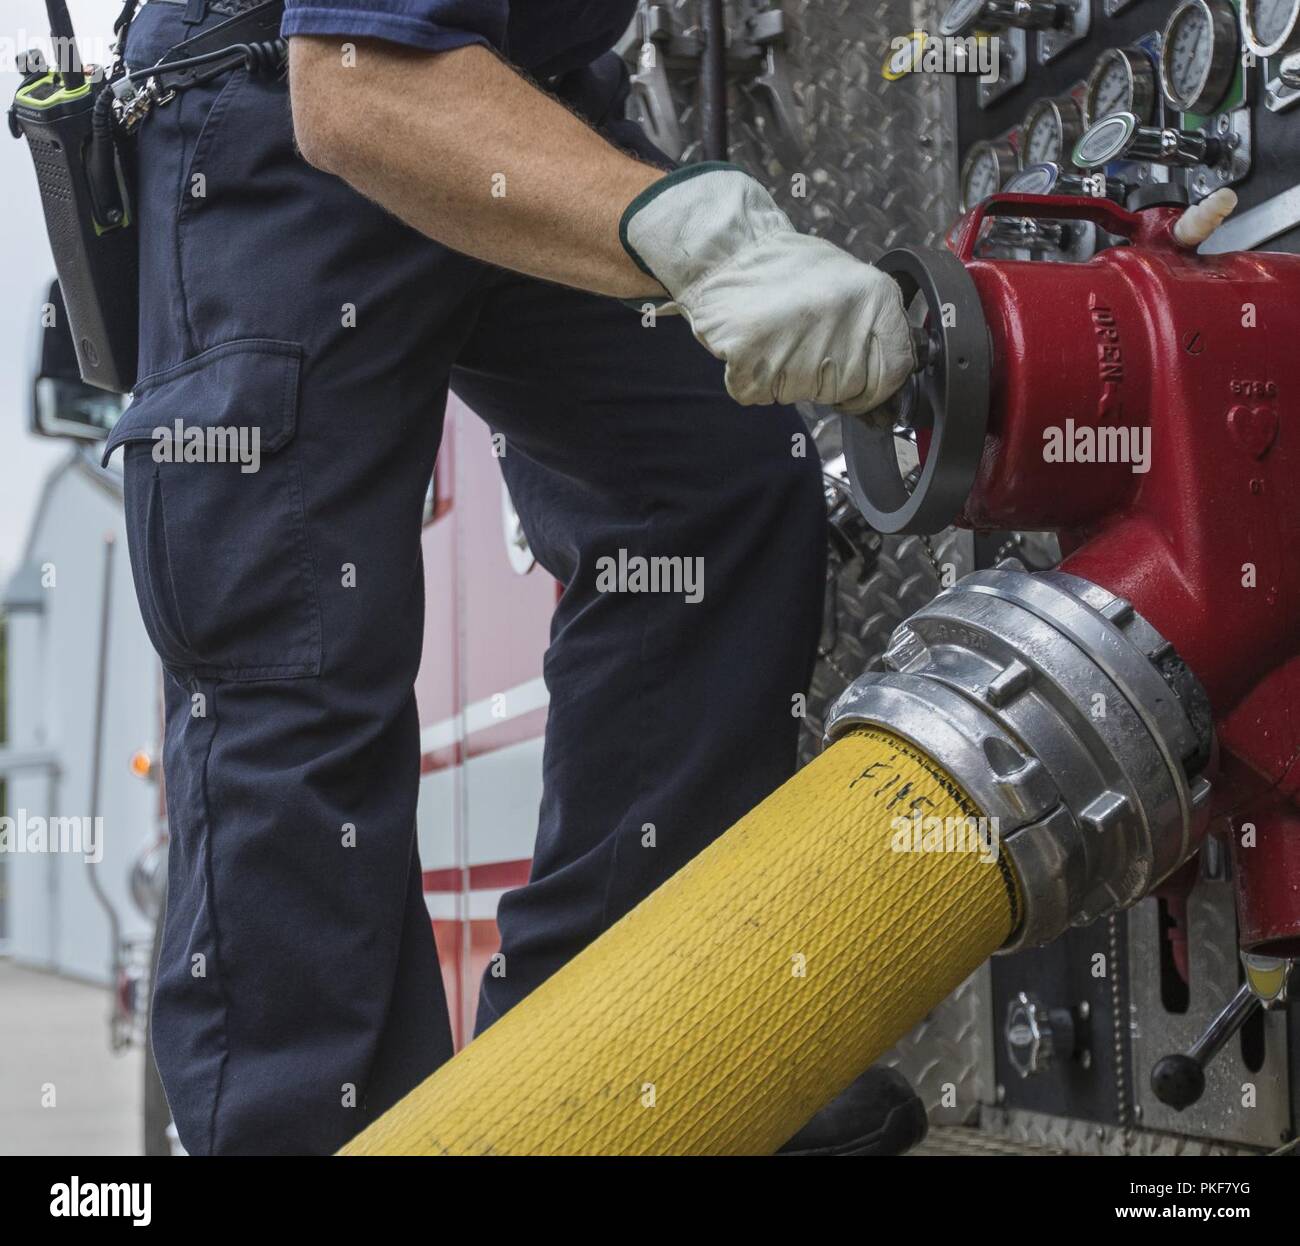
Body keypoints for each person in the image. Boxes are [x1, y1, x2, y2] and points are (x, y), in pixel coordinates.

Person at [108, 0, 938, 1157]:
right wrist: (697, 235)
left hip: (517, 86)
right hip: (287, 108)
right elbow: (356, 83)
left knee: (710, 490)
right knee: (295, 647)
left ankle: (612, 1071)